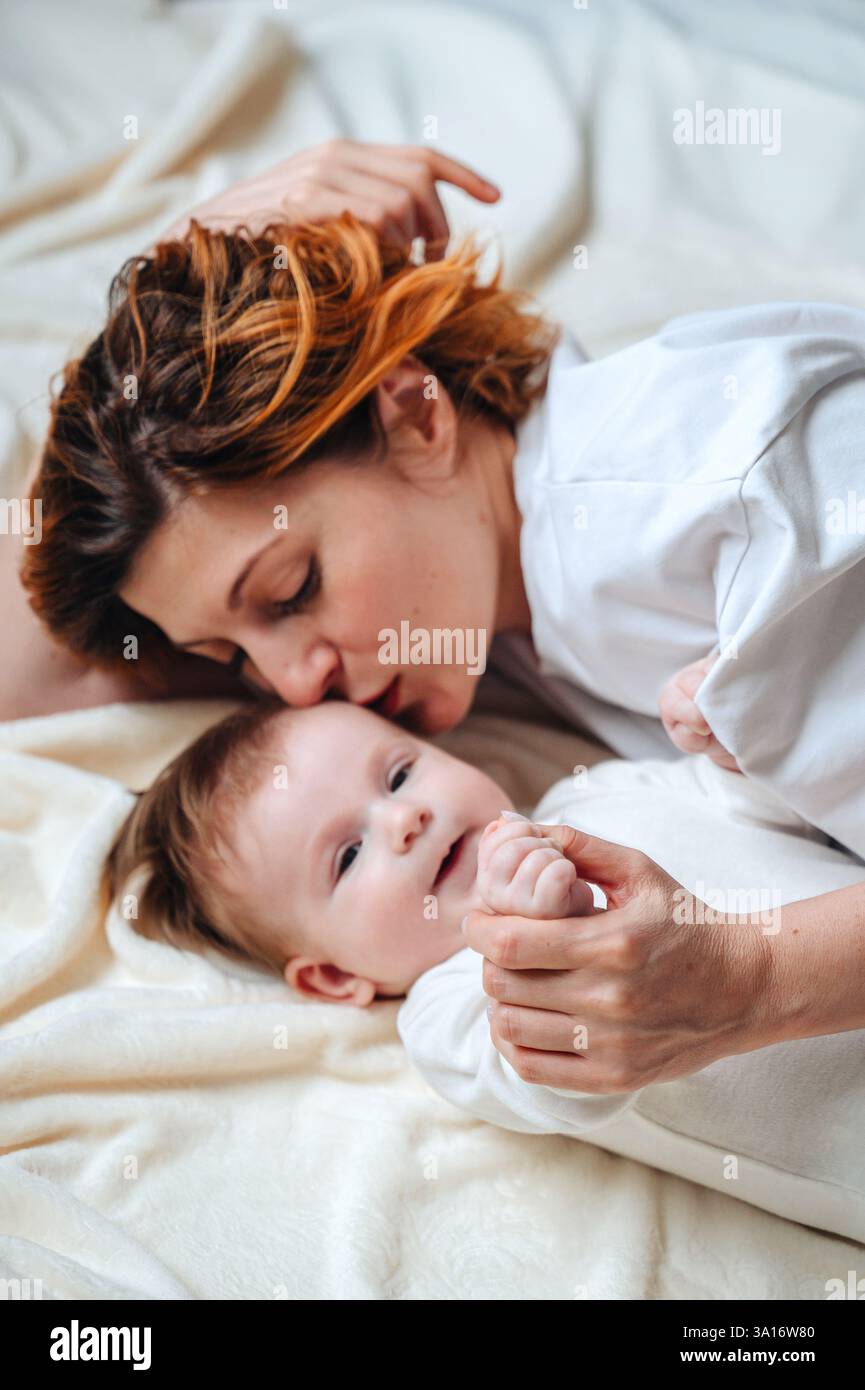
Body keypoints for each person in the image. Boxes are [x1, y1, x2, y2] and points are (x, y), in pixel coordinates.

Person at [12, 139, 865, 1091]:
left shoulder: (736, 495)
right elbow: (35, 669)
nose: (292, 684)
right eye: (229, 652)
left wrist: (757, 981)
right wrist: (172, 288)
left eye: (292, 591)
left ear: (416, 414)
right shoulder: (476, 590)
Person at [105, 695, 865, 1236]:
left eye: (399, 775)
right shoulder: (447, 1014)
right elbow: (562, 1078)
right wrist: (545, 925)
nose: (404, 820)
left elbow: (777, 812)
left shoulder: (599, 788)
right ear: (334, 978)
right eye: (346, 855)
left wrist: (738, 740)